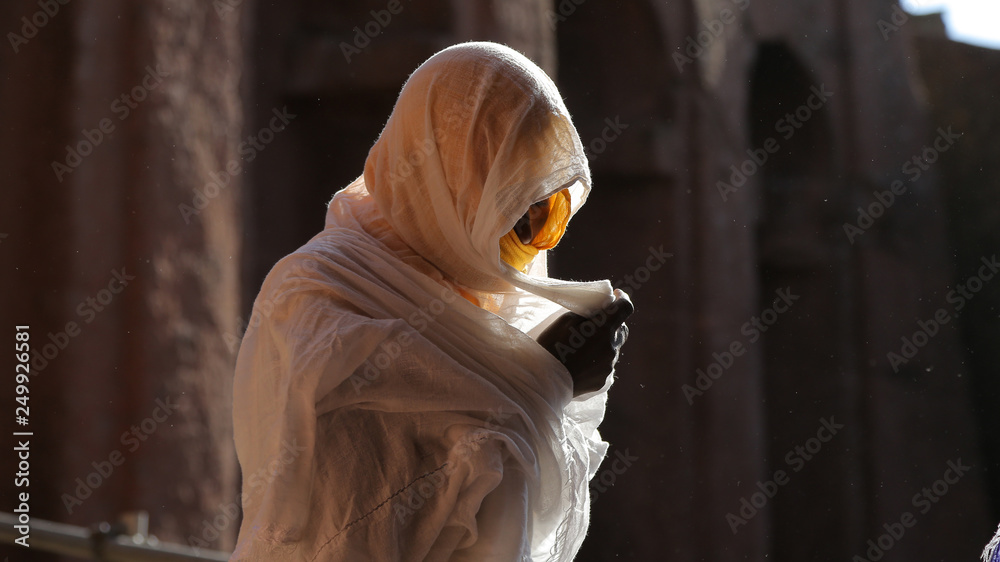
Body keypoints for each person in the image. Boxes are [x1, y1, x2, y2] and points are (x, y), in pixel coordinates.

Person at [231, 41, 633, 561]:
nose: (527, 231)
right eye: (513, 198)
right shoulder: (316, 299)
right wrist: (546, 382)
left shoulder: (482, 310)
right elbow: (355, 521)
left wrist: (545, 381)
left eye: (545, 211)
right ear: (452, 176)